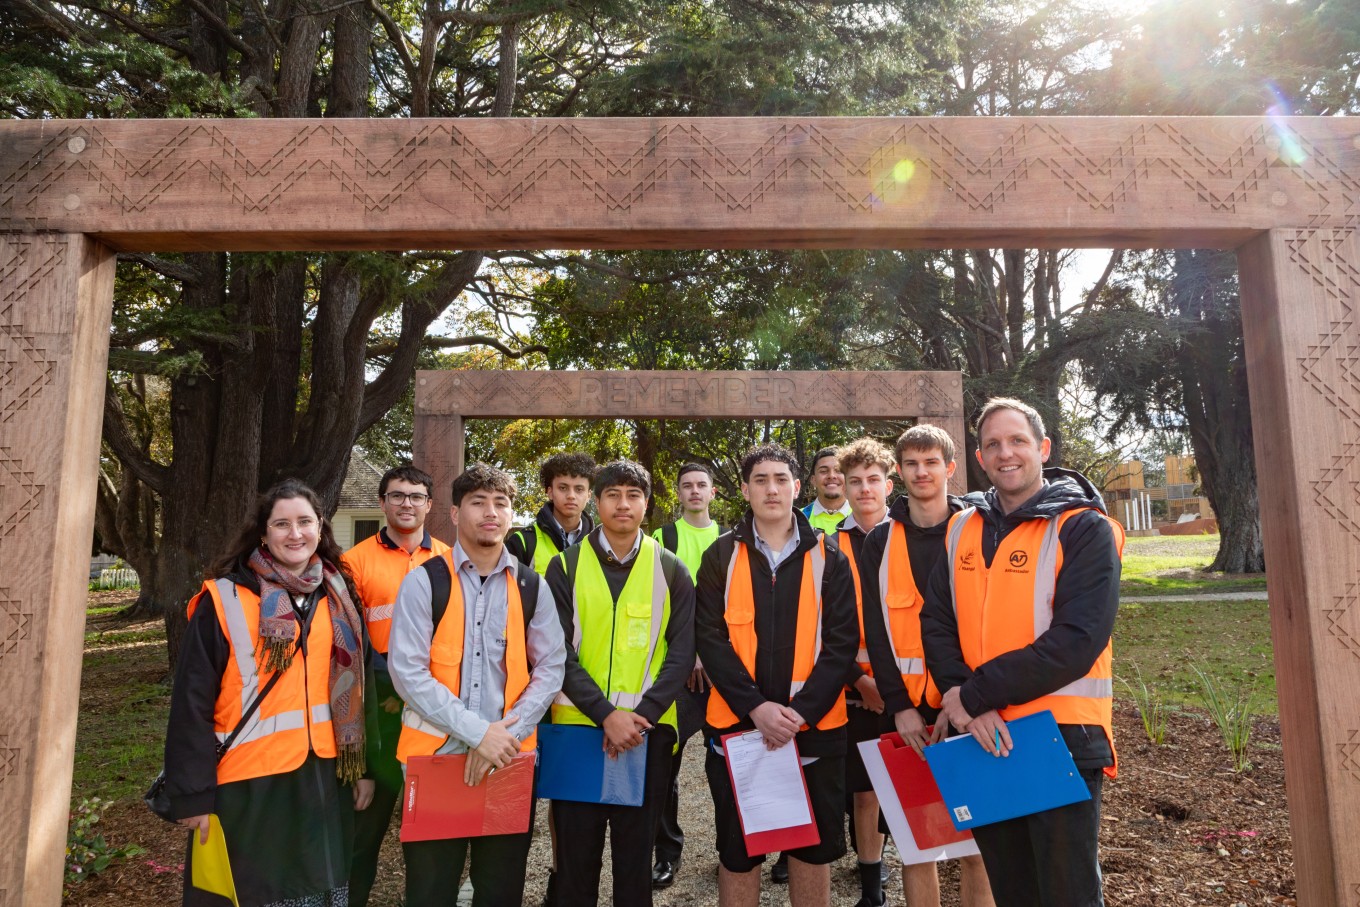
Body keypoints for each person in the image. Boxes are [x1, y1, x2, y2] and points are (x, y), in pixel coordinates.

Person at [921, 398, 1123, 907]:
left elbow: (1076, 641)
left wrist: (973, 694)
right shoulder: (961, 526)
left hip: (1059, 736)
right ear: (979, 456)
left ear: (1043, 449)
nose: (1005, 453)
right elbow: (936, 622)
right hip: (983, 734)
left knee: (1067, 894)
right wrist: (965, 699)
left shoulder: (1084, 528)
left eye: (1017, 441)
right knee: (1012, 891)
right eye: (993, 444)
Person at [162, 478, 374, 907]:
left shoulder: (341, 598)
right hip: (249, 780)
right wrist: (193, 795)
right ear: (263, 532)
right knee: (252, 893)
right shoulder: (223, 599)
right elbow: (190, 703)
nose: (295, 534)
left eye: (305, 522)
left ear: (321, 528)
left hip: (323, 776)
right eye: (282, 524)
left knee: (317, 891)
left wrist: (362, 767)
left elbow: (360, 685)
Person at [388, 463, 566, 907]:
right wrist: (477, 733)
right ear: (453, 513)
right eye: (479, 502)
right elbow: (408, 673)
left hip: (509, 761)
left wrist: (501, 737)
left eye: (501, 503)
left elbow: (551, 667)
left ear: (512, 514)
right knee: (430, 891)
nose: (492, 512)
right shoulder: (424, 581)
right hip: (436, 760)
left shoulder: (530, 586)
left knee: (501, 890)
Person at [696, 443, 858, 907]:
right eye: (761, 480)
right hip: (737, 728)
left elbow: (841, 646)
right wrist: (756, 707)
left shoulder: (831, 556)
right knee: (740, 853)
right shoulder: (720, 555)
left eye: (781, 479)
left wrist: (797, 715)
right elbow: (711, 640)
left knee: (811, 848)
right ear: (745, 490)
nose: (772, 489)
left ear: (797, 486)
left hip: (815, 729)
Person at [545, 460, 696, 907]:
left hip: (647, 735)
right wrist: (607, 715)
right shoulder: (564, 567)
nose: (623, 504)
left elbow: (681, 654)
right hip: (577, 729)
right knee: (575, 862)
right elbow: (557, 654)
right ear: (598, 500)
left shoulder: (672, 570)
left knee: (634, 866)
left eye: (633, 495)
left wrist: (640, 717)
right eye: (613, 494)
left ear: (647, 505)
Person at [860, 426, 994, 907]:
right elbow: (876, 630)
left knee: (981, 848)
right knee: (917, 845)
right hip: (911, 717)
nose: (921, 472)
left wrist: (972, 700)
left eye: (931, 462)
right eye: (912, 463)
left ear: (950, 468)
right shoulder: (879, 541)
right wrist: (899, 706)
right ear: (899, 470)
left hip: (974, 708)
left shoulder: (980, 528)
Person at [341, 465, 451, 907]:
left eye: (416, 496)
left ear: (429, 504)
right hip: (379, 719)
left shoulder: (448, 559)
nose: (407, 504)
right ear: (383, 502)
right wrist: (390, 694)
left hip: (432, 719)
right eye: (397, 495)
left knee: (428, 838)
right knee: (362, 837)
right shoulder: (355, 562)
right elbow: (350, 643)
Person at [650, 462, 722, 889]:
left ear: (713, 493)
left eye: (701, 485)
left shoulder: (730, 539)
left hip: (721, 672)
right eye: (687, 486)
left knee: (732, 765)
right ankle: (666, 853)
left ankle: (734, 851)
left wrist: (712, 656)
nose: (694, 491)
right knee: (664, 766)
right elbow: (661, 605)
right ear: (678, 493)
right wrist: (688, 652)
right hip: (676, 670)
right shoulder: (662, 539)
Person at [830, 438, 894, 907]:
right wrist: (858, 679)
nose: (865, 488)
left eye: (873, 479)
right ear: (843, 486)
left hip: (909, 692)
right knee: (866, 791)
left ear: (889, 484)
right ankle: (871, 887)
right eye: (855, 481)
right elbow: (821, 626)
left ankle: (913, 867)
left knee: (911, 788)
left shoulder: (912, 536)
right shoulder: (829, 547)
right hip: (856, 690)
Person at [507, 452, 598, 575]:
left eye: (579, 489)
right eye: (563, 488)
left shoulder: (601, 543)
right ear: (550, 492)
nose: (571, 496)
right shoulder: (522, 543)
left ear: (588, 495)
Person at [800, 446, 851, 535]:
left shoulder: (862, 517)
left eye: (838, 470)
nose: (831, 475)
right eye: (823, 471)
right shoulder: (797, 520)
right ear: (813, 480)